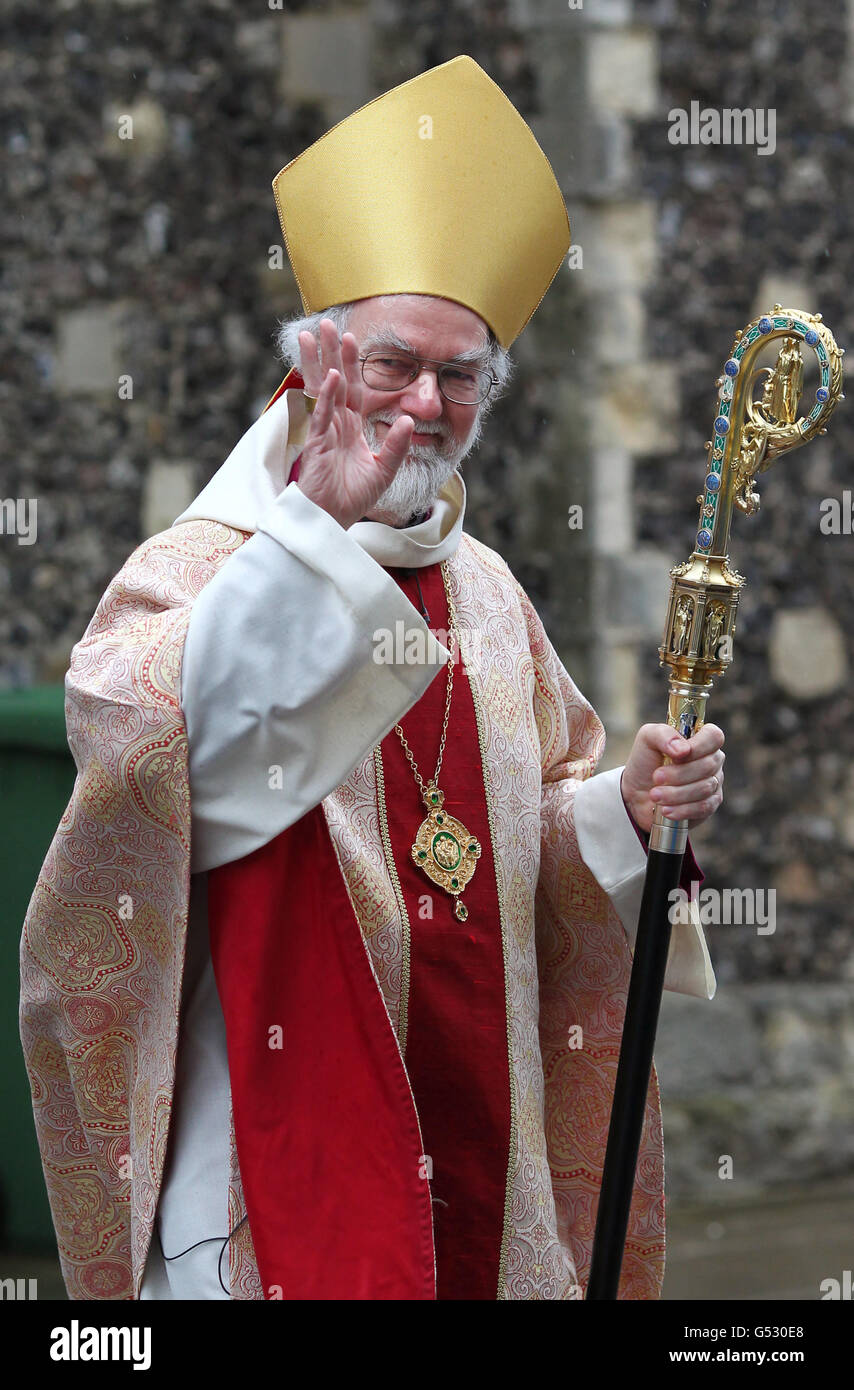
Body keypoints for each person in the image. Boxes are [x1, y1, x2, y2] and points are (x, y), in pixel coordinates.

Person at [20, 56, 721, 1302]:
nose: (425, 406)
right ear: (315, 363)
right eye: (393, 365)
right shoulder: (197, 569)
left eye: (462, 375)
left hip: (480, 1132)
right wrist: (311, 540)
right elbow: (156, 770)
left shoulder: (492, 592)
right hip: (262, 1163)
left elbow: (520, 840)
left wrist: (623, 812)